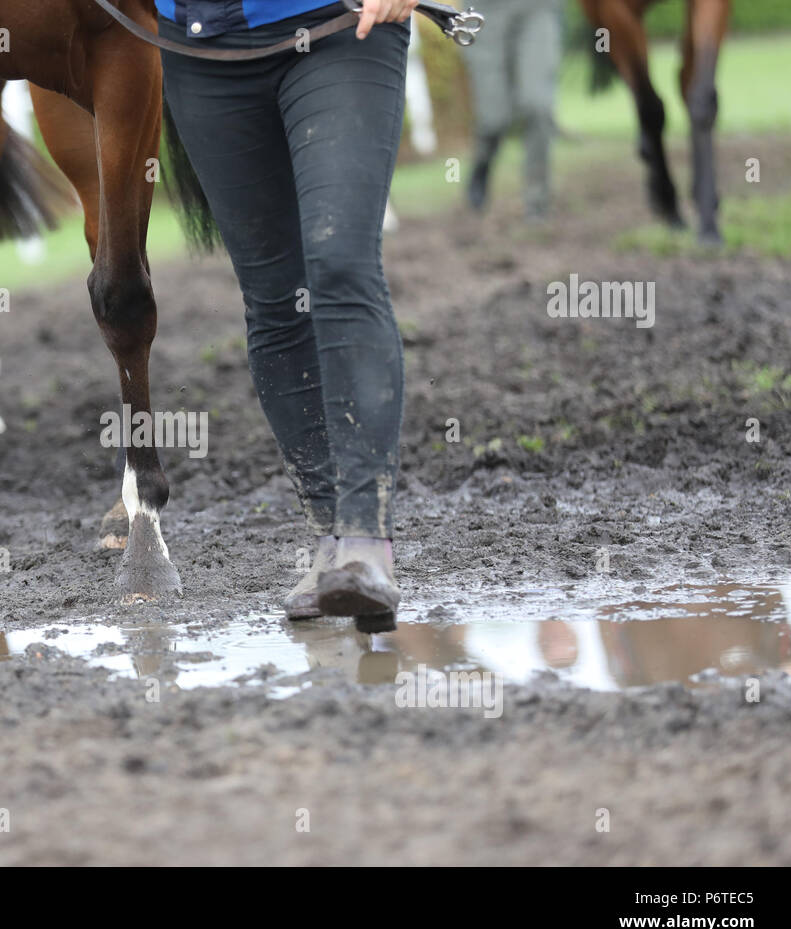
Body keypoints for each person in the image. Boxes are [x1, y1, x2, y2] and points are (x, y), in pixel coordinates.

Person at [158, 0, 416, 631]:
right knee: (275, 300)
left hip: (339, 27)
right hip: (204, 54)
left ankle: (364, 542)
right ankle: (331, 538)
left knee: (340, 262)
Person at [461, 0, 564, 220]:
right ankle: (482, 165)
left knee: (538, 105)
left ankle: (537, 202)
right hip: (484, 10)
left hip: (536, 8)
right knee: (494, 117)